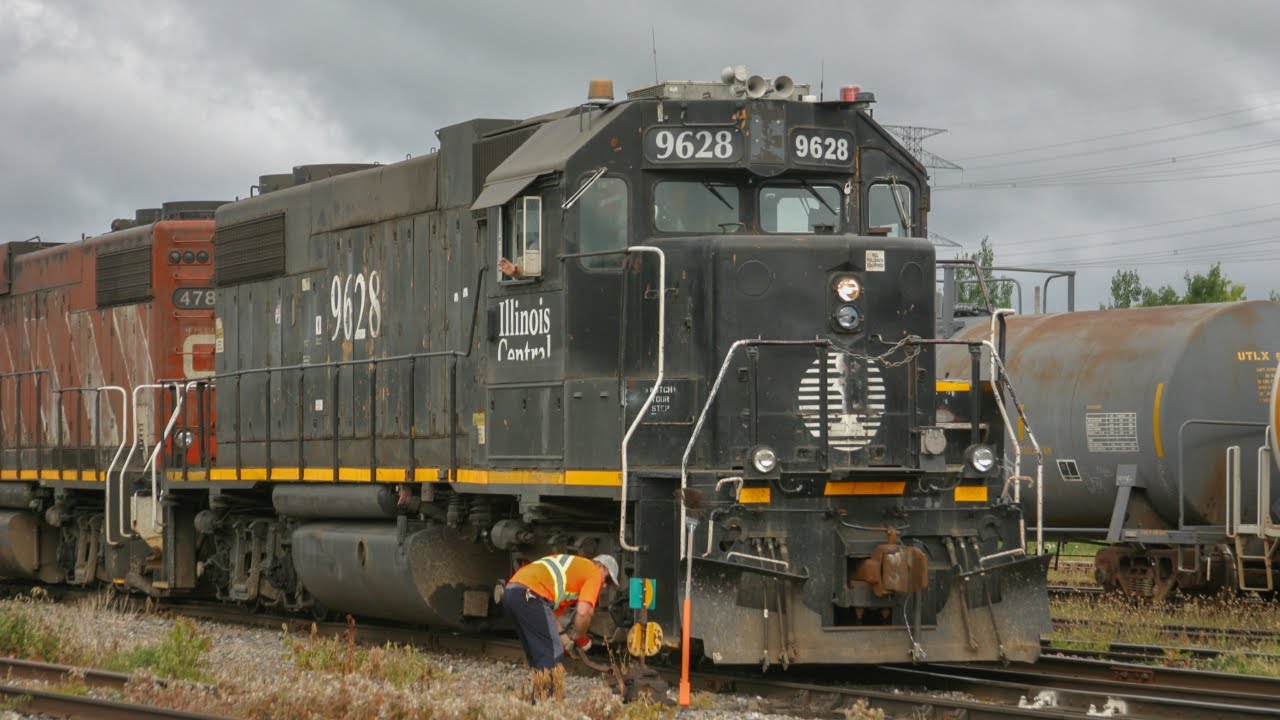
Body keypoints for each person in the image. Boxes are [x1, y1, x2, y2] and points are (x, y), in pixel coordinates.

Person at [503, 553, 620, 701]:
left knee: (539, 652)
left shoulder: (573, 575)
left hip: (513, 593)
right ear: (600, 566)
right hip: (530, 594)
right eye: (608, 580)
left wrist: (568, 643)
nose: (604, 585)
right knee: (551, 651)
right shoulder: (594, 572)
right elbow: (584, 612)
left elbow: (551, 618)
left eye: (608, 584)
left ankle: (538, 702)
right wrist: (580, 637)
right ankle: (544, 705)